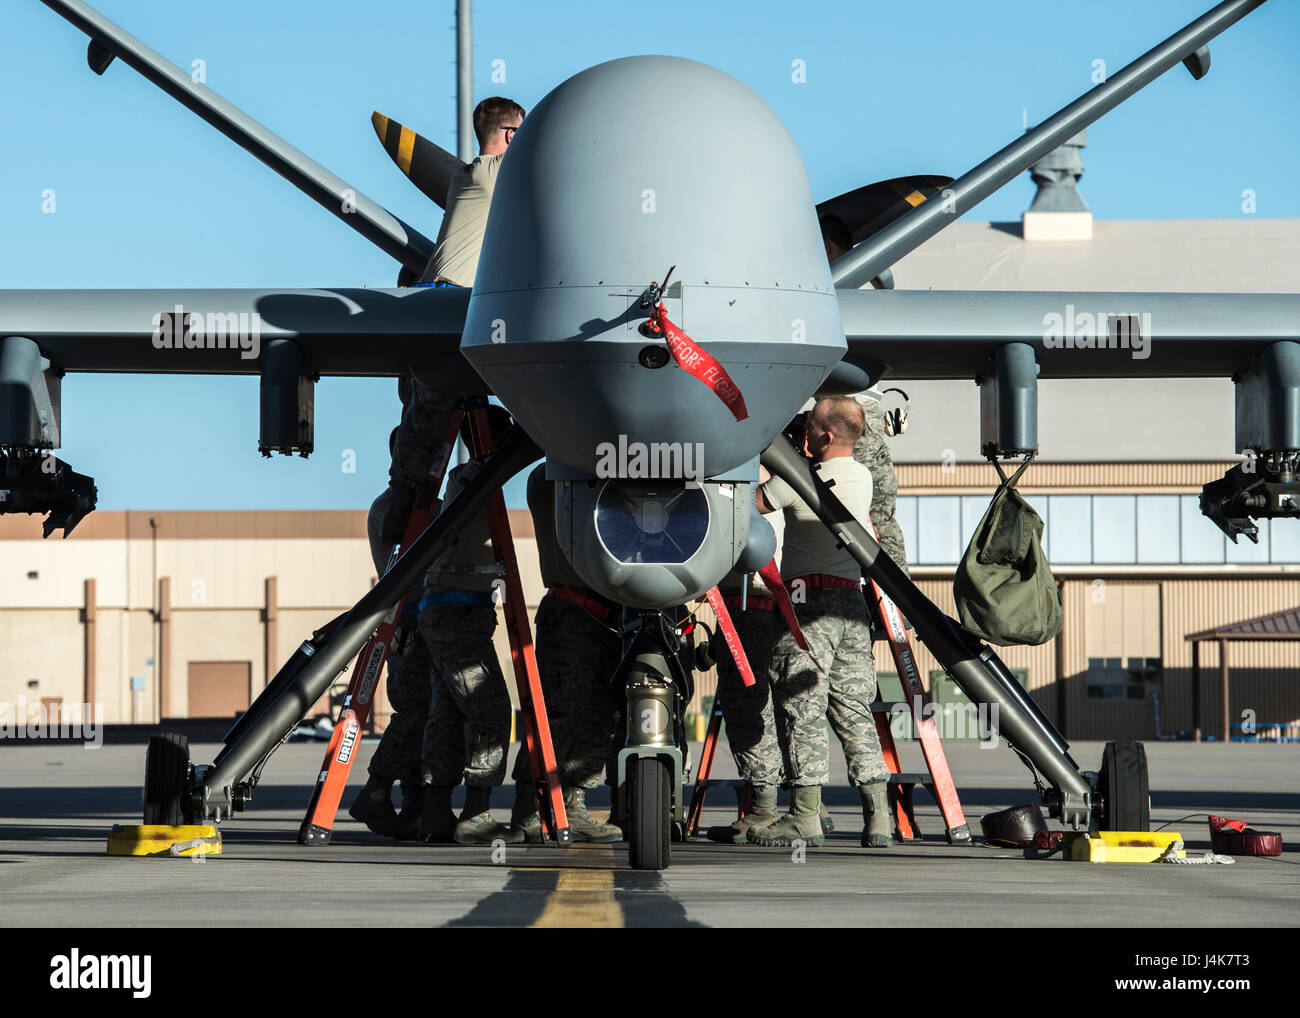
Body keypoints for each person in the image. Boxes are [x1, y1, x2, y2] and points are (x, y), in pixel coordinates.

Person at [750, 397, 892, 849]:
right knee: (853, 708)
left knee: (802, 705)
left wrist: (771, 452)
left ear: (825, 437)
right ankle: (878, 820)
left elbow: (752, 505)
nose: (803, 433)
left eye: (809, 427)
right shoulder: (865, 477)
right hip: (852, 604)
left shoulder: (800, 480)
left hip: (809, 603)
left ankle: (806, 817)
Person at [416, 408, 523, 845]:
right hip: (458, 613)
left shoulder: (464, 479)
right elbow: (525, 449)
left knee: (447, 713)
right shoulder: (477, 476)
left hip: (451, 609)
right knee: (491, 710)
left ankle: (435, 813)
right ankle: (476, 813)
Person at [508, 465, 623, 843]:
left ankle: (573, 804)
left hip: (609, 614)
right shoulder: (549, 476)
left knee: (597, 714)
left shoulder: (608, 471)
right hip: (571, 608)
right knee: (556, 712)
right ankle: (529, 806)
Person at [347, 479, 436, 840]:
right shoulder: (400, 507)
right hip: (413, 621)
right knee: (417, 712)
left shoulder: (392, 506)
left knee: (426, 713)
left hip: (412, 620)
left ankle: (416, 804)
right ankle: (377, 787)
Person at [420, 97, 524, 287]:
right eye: (522, 132)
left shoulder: (464, 174)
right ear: (512, 135)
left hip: (433, 290)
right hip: (452, 291)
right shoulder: (494, 171)